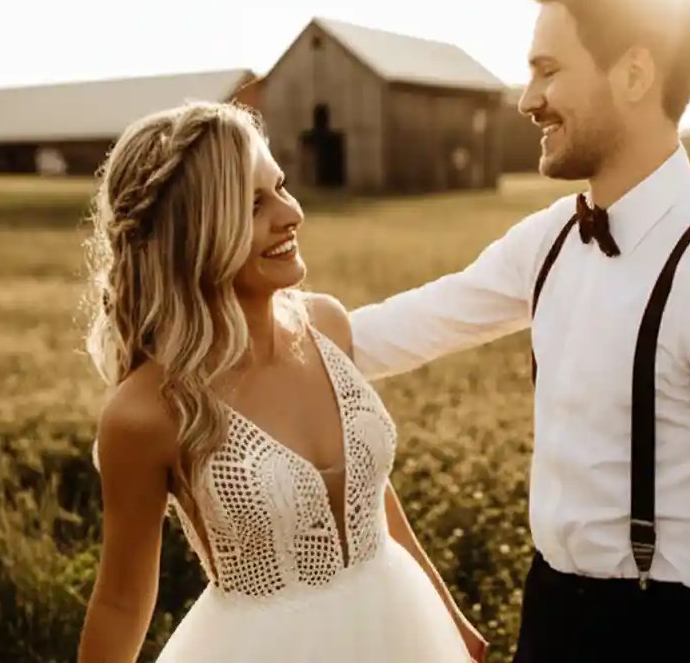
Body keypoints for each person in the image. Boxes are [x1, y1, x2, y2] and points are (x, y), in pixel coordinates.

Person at [348, 0, 690, 662]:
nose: (526, 99)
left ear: (633, 74)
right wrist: (231, 330)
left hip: (667, 635)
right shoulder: (549, 239)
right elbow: (400, 329)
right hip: (548, 618)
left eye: (548, 70)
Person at [75, 101, 487, 662]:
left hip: (402, 630)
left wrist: (447, 613)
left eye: (281, 187)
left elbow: (368, 495)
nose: (290, 213)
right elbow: (121, 602)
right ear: (191, 234)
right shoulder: (148, 411)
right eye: (253, 205)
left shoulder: (327, 326)